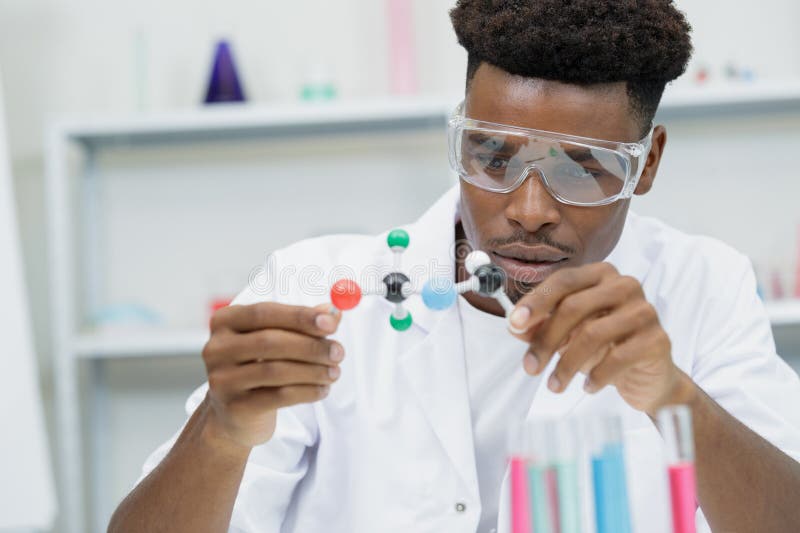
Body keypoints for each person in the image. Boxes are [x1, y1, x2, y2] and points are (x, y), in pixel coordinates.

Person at [109, 1, 800, 532]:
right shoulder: (323, 288)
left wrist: (674, 397)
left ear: (646, 164)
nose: (528, 208)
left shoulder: (705, 286)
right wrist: (222, 434)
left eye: (581, 170)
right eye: (492, 156)